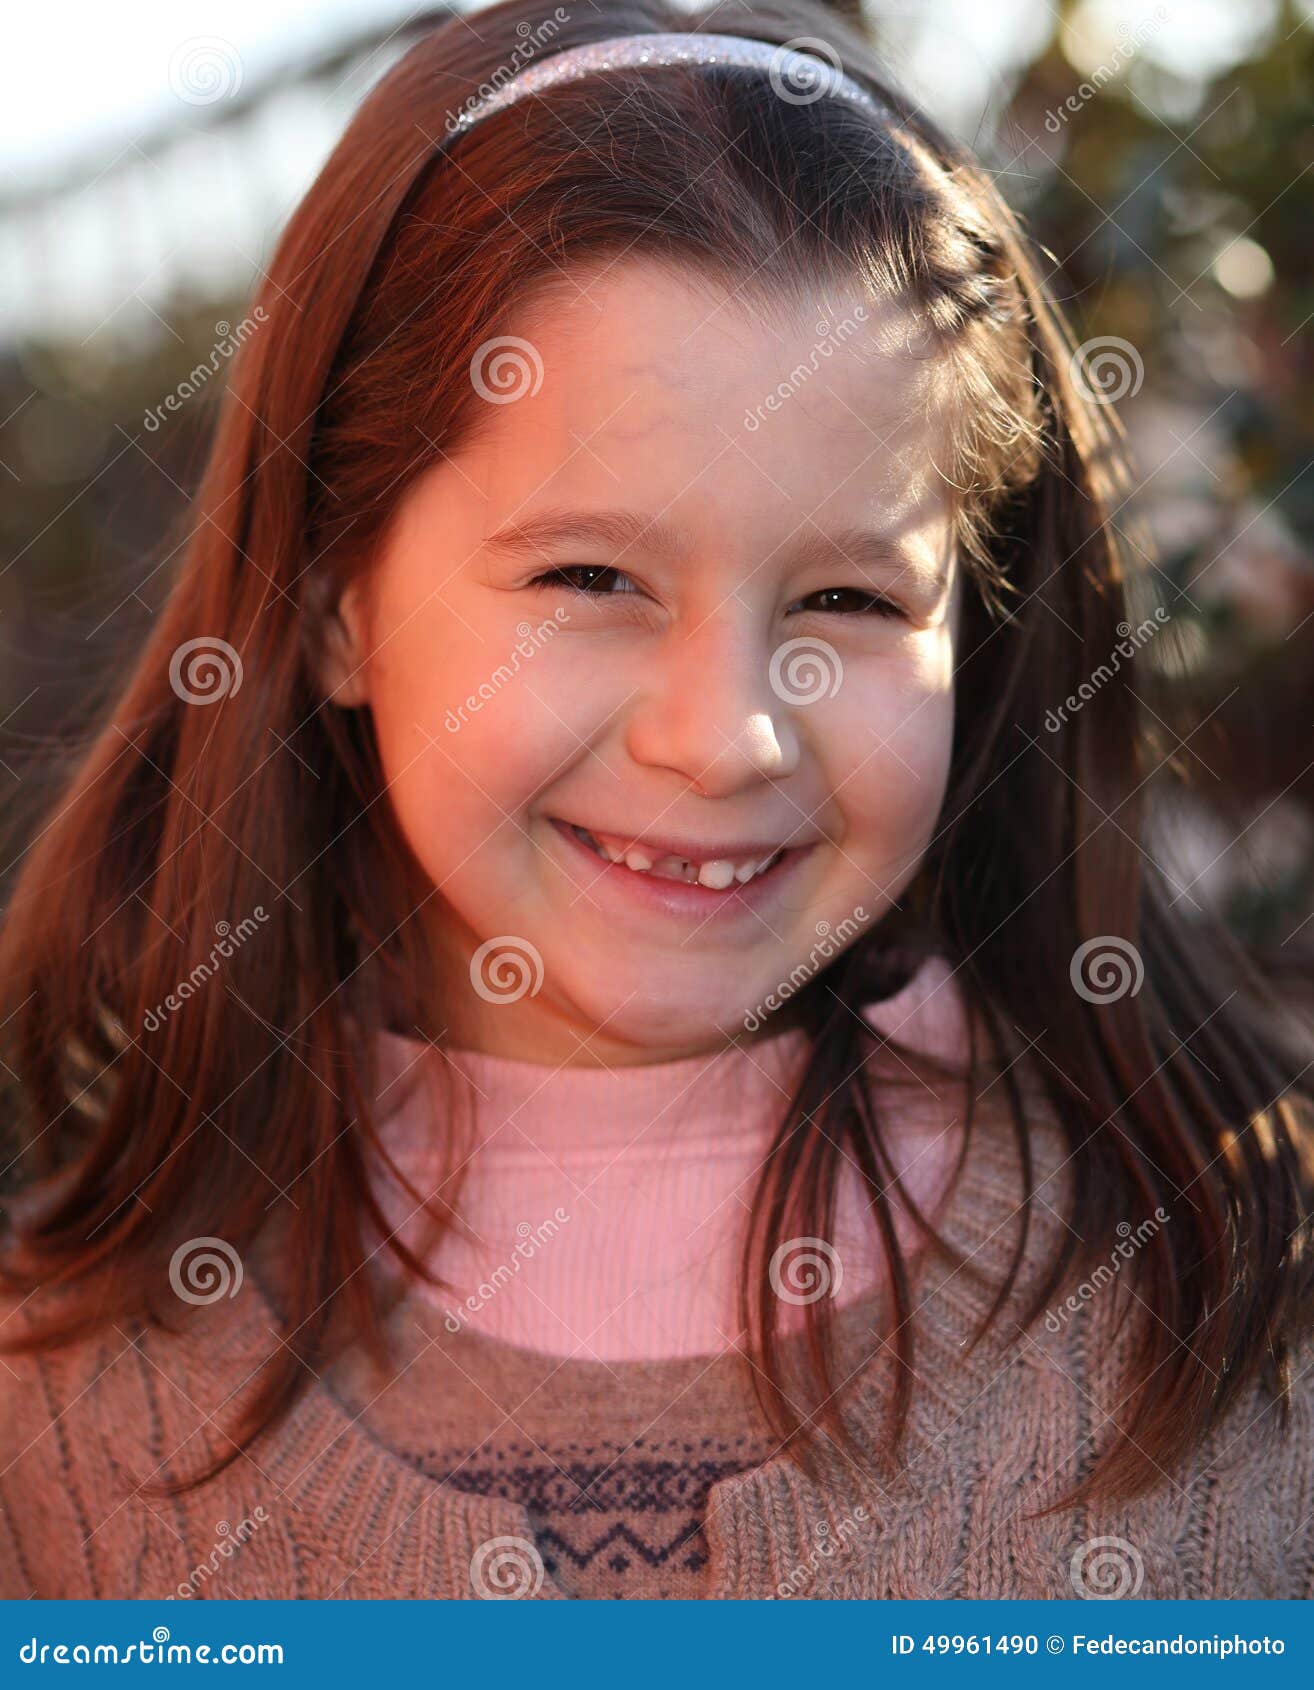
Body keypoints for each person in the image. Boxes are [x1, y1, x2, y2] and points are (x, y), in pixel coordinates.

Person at [1, 0, 1311, 1601]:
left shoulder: (1230, 1312)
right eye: (592, 576)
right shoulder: (52, 1410)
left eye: (844, 600)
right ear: (337, 597)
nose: (724, 737)